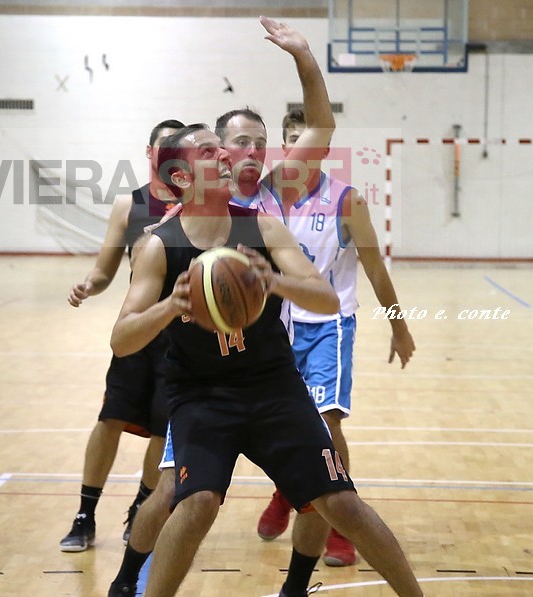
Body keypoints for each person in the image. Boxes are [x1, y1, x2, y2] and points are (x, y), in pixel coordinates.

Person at [111, 118, 423, 597]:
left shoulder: (261, 226)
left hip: (273, 387)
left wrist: (273, 281)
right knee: (194, 504)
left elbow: (325, 298)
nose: (222, 155)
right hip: (202, 397)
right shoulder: (158, 246)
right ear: (180, 177)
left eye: (222, 149)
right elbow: (121, 339)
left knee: (341, 502)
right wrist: (171, 306)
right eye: (207, 152)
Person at [108, 16, 337, 596]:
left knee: (326, 475)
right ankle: (129, 575)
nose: (252, 150)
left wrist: (304, 57)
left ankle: (298, 580)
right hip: (205, 368)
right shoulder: (197, 209)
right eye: (240, 141)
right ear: (217, 148)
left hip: (272, 355)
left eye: (260, 141)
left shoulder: (277, 188)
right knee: (173, 493)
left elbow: (321, 125)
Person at [255, 107, 417, 570]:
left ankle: (339, 523)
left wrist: (398, 325)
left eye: (306, 140)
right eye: (289, 140)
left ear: (323, 149)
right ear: (284, 147)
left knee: (327, 423)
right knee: (284, 424)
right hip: (279, 324)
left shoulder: (347, 201)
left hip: (331, 324)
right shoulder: (266, 195)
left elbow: (374, 267)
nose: (296, 149)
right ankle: (290, 492)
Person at [59, 119, 184, 552]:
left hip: (181, 337)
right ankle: (85, 513)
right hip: (137, 331)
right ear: (149, 152)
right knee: (109, 418)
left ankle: (141, 505)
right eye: (162, 145)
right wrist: (88, 286)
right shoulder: (130, 206)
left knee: (159, 431)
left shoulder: (200, 206)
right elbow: (105, 269)